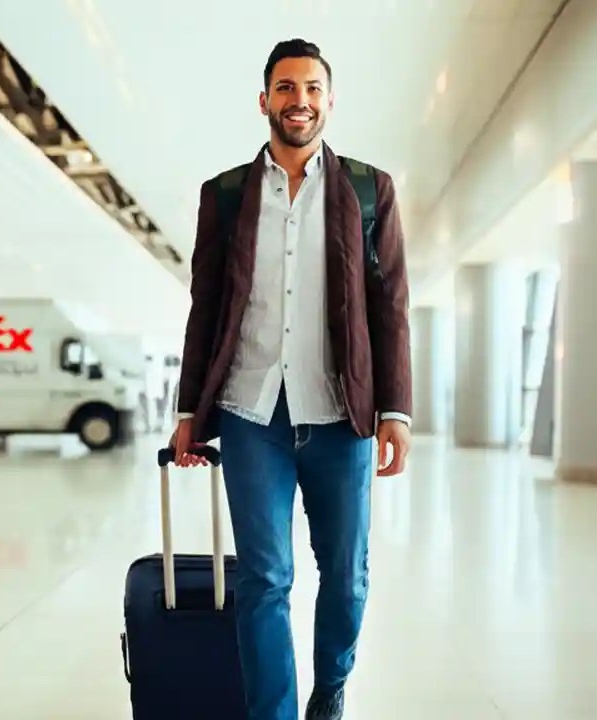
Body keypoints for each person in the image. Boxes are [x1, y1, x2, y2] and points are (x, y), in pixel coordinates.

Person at [170, 38, 413, 720]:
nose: (298, 100)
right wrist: (190, 407)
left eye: (310, 88)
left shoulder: (369, 189)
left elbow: (389, 303)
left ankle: (330, 687)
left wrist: (396, 410)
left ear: (329, 101)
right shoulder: (224, 195)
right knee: (265, 578)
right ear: (264, 101)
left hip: (341, 412)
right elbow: (207, 306)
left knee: (345, 575)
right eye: (285, 88)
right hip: (252, 413)